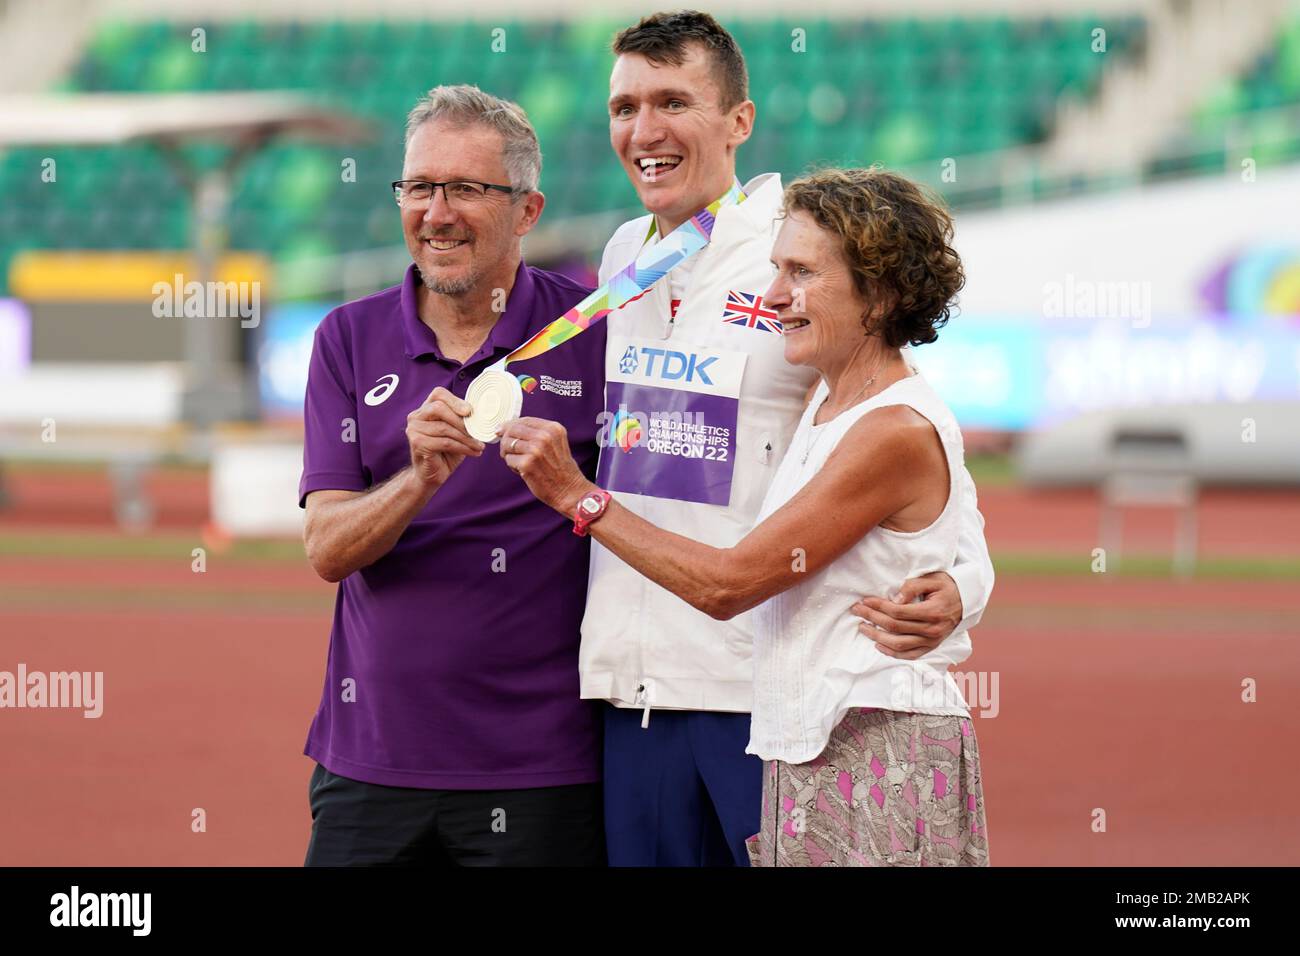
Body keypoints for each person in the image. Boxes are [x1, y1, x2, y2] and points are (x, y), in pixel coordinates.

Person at [563, 10, 996, 866]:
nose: (644, 131)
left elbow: (913, 444)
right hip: (630, 691)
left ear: (739, 122)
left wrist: (964, 584)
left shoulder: (801, 252)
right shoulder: (618, 259)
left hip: (755, 695)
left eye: (673, 102)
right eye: (624, 108)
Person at [296, 85, 608, 866]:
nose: (436, 212)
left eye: (467, 188)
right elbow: (328, 550)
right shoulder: (347, 337)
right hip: (370, 763)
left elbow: (675, 509)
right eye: (419, 187)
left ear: (528, 211)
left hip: (541, 772)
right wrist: (418, 478)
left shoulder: (597, 337)